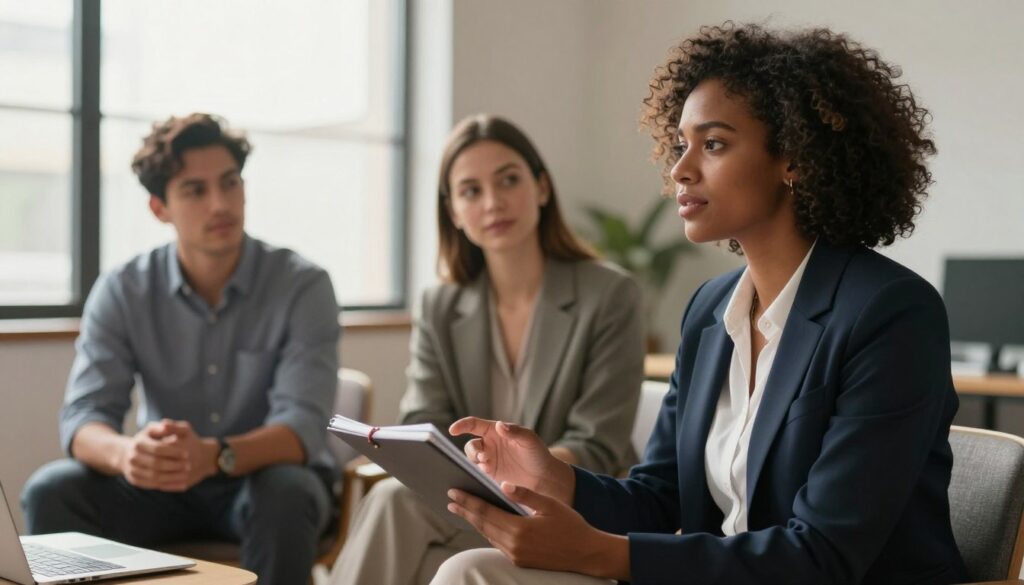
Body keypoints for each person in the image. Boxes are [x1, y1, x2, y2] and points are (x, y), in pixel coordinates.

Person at [434, 23, 970, 585]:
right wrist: (556, 479)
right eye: (681, 144)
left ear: (794, 158)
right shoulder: (711, 311)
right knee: (472, 570)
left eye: (712, 144)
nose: (680, 169)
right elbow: (664, 498)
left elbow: (824, 556)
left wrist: (598, 553)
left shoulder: (890, 312)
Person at [21, 113, 340, 585]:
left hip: (260, 484)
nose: (220, 204)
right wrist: (128, 454)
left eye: (230, 183)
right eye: (195, 190)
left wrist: (212, 455)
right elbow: (84, 418)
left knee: (287, 491)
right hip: (159, 488)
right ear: (159, 208)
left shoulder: (302, 285)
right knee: (51, 489)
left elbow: (301, 429)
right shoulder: (123, 289)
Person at [329, 114, 645, 585]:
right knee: (393, 501)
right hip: (471, 500)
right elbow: (424, 423)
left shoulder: (610, 294)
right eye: (471, 191)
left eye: (509, 180)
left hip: (568, 511)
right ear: (454, 211)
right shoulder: (441, 304)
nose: (493, 202)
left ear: (541, 188)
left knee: (396, 508)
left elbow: (598, 444)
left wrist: (518, 474)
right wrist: (480, 475)